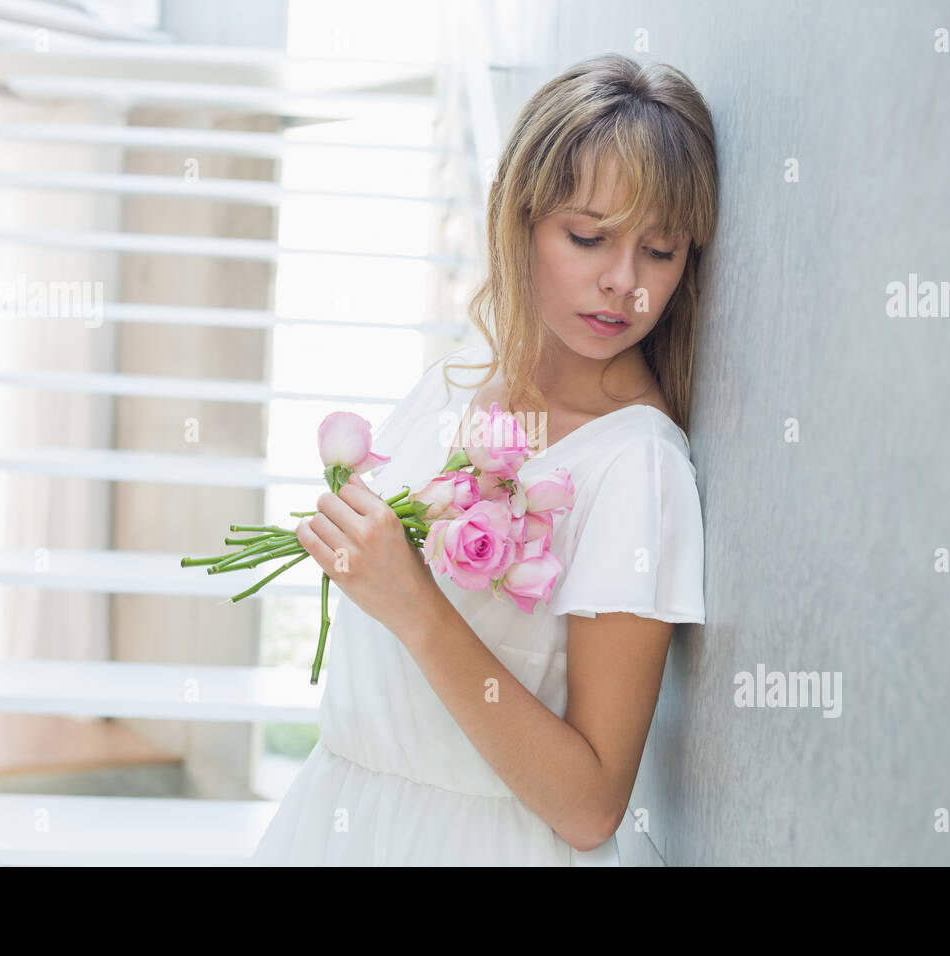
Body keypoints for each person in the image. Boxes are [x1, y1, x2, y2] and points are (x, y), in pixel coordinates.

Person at [250, 52, 719, 865]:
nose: (624, 283)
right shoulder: (454, 382)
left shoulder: (636, 468)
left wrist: (416, 608)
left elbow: (590, 806)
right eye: (588, 236)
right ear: (521, 219)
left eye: (661, 251)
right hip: (342, 818)